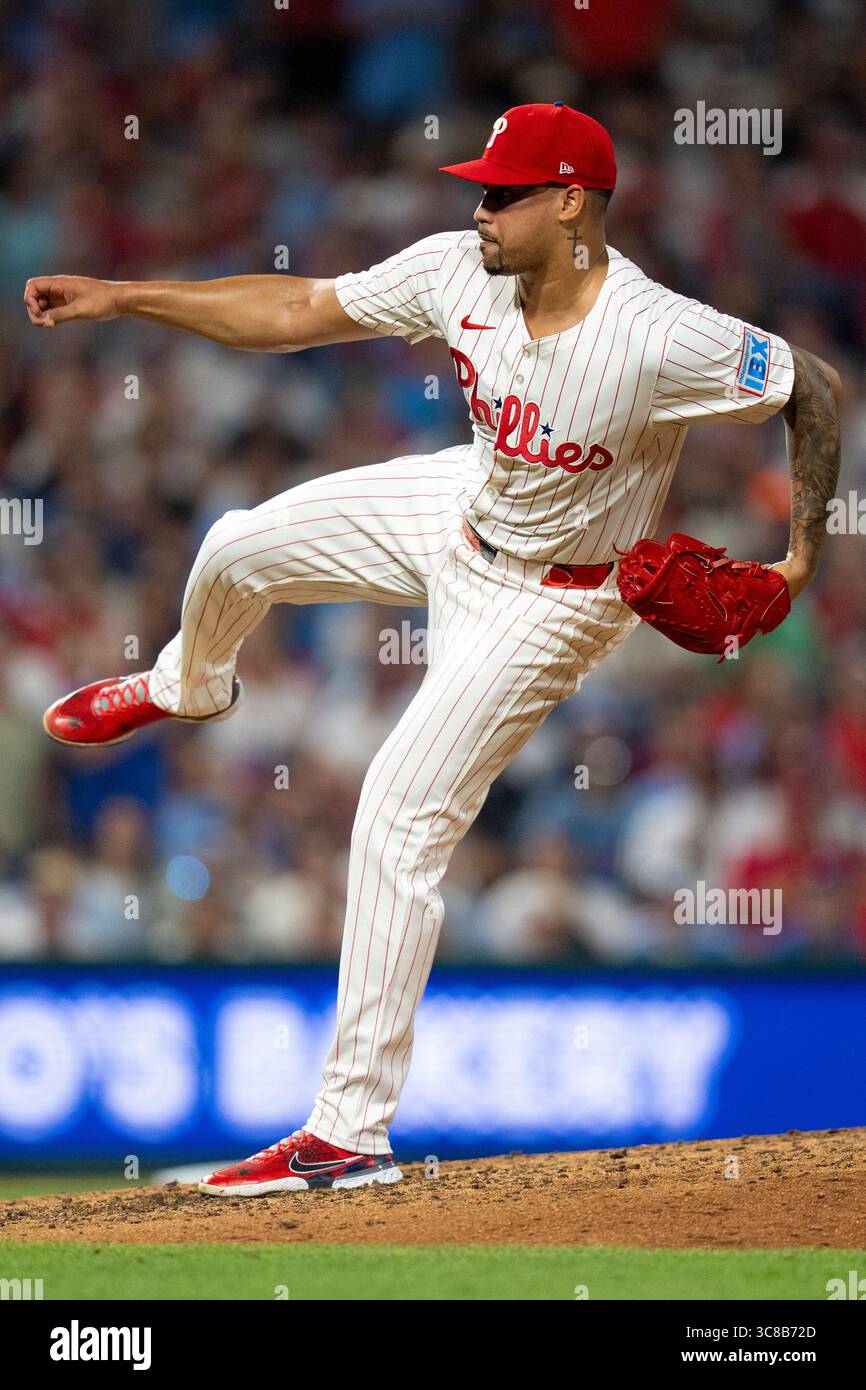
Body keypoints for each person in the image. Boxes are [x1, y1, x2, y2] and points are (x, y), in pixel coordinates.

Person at [24, 103, 841, 1196]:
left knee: (395, 814)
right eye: (480, 186)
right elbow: (297, 309)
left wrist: (793, 563)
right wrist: (127, 298)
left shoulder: (656, 332)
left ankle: (345, 1134)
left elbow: (813, 388)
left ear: (569, 204)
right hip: (461, 508)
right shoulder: (461, 269)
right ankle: (188, 680)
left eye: (503, 191)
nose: (479, 206)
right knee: (236, 546)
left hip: (557, 596)